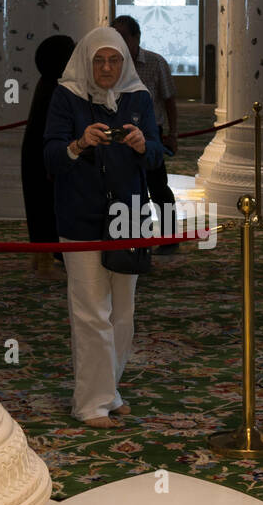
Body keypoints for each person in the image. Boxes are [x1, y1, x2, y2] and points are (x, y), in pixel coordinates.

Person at [43, 27, 165, 427]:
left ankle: (109, 390)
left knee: (123, 312)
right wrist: (78, 145)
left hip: (127, 216)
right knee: (92, 311)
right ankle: (90, 403)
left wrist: (143, 145)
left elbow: (157, 157)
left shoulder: (138, 97)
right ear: (86, 61)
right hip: (80, 217)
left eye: (113, 60)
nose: (107, 68)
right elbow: (50, 157)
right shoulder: (67, 96)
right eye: (99, 60)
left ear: (124, 62)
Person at [110, 16, 180, 253]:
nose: (117, 41)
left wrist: (173, 134)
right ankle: (135, 239)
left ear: (136, 37)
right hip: (119, 136)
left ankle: (170, 238)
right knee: (127, 189)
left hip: (151, 134)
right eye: (114, 35)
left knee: (158, 187)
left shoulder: (155, 62)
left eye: (123, 36)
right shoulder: (110, 64)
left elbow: (170, 101)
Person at [20, 34, 75, 275]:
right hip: (46, 160)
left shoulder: (47, 84)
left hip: (36, 157)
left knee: (39, 207)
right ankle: (55, 256)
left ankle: (45, 257)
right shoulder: (58, 89)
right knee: (49, 207)